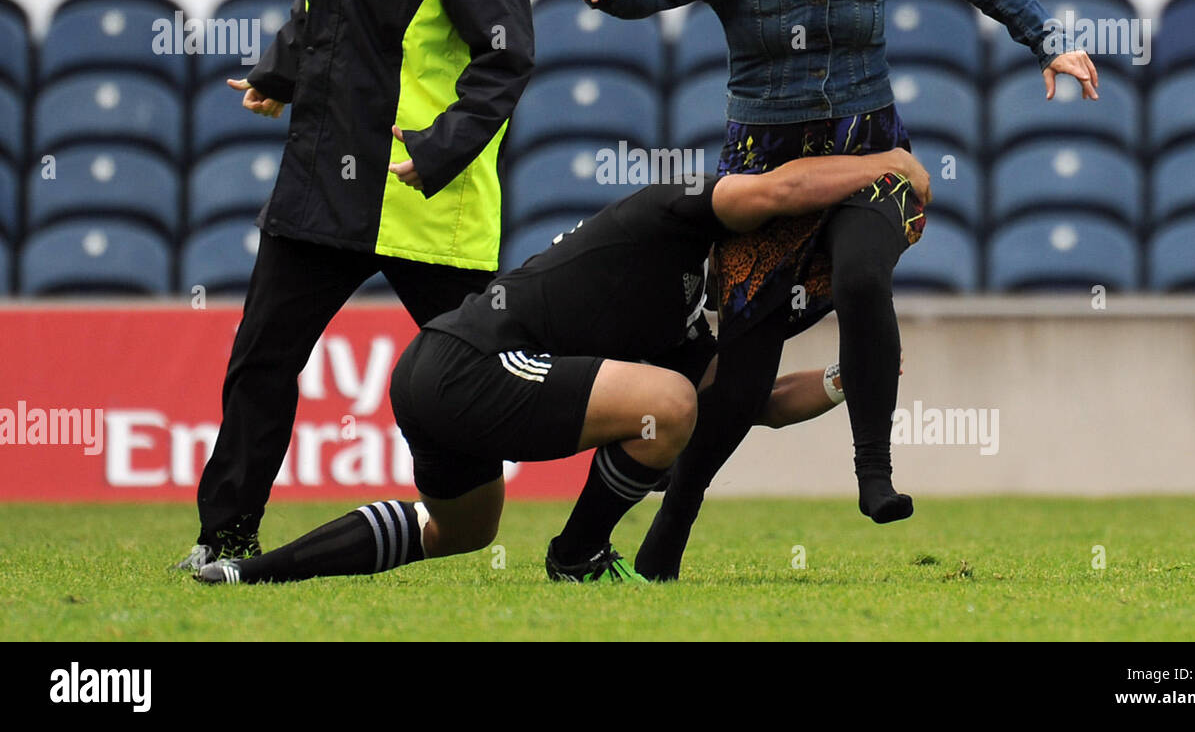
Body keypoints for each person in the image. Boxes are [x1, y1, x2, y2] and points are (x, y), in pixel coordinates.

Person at [566, 0, 1100, 579]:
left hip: (869, 157)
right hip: (768, 172)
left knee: (859, 275)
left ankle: (874, 475)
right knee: (741, 380)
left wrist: (1048, 41)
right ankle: (667, 536)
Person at [192, 148, 931, 585]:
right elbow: (773, 190)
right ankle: (578, 557)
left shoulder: (703, 323)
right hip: (465, 362)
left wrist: (846, 380)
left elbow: (753, 401)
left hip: (441, 373)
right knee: (668, 407)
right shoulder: (678, 212)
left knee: (460, 532)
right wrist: (888, 164)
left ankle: (245, 575)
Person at [174, 0, 534, 570]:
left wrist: (437, 152)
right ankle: (222, 538)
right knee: (262, 360)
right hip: (320, 186)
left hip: (422, 197)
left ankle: (502, 517)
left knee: (476, 382)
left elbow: (506, 61)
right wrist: (277, 75)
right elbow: (317, 15)